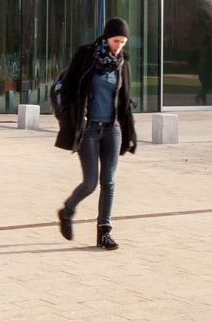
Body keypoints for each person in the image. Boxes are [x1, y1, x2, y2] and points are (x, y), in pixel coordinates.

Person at [53, 19, 137, 252]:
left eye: (123, 42)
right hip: (89, 129)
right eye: (116, 41)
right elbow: (68, 88)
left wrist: (130, 131)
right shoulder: (86, 55)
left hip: (113, 129)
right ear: (106, 37)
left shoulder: (123, 63)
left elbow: (124, 99)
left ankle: (104, 232)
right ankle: (67, 211)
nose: (119, 46)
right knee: (90, 183)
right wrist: (69, 117)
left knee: (109, 182)